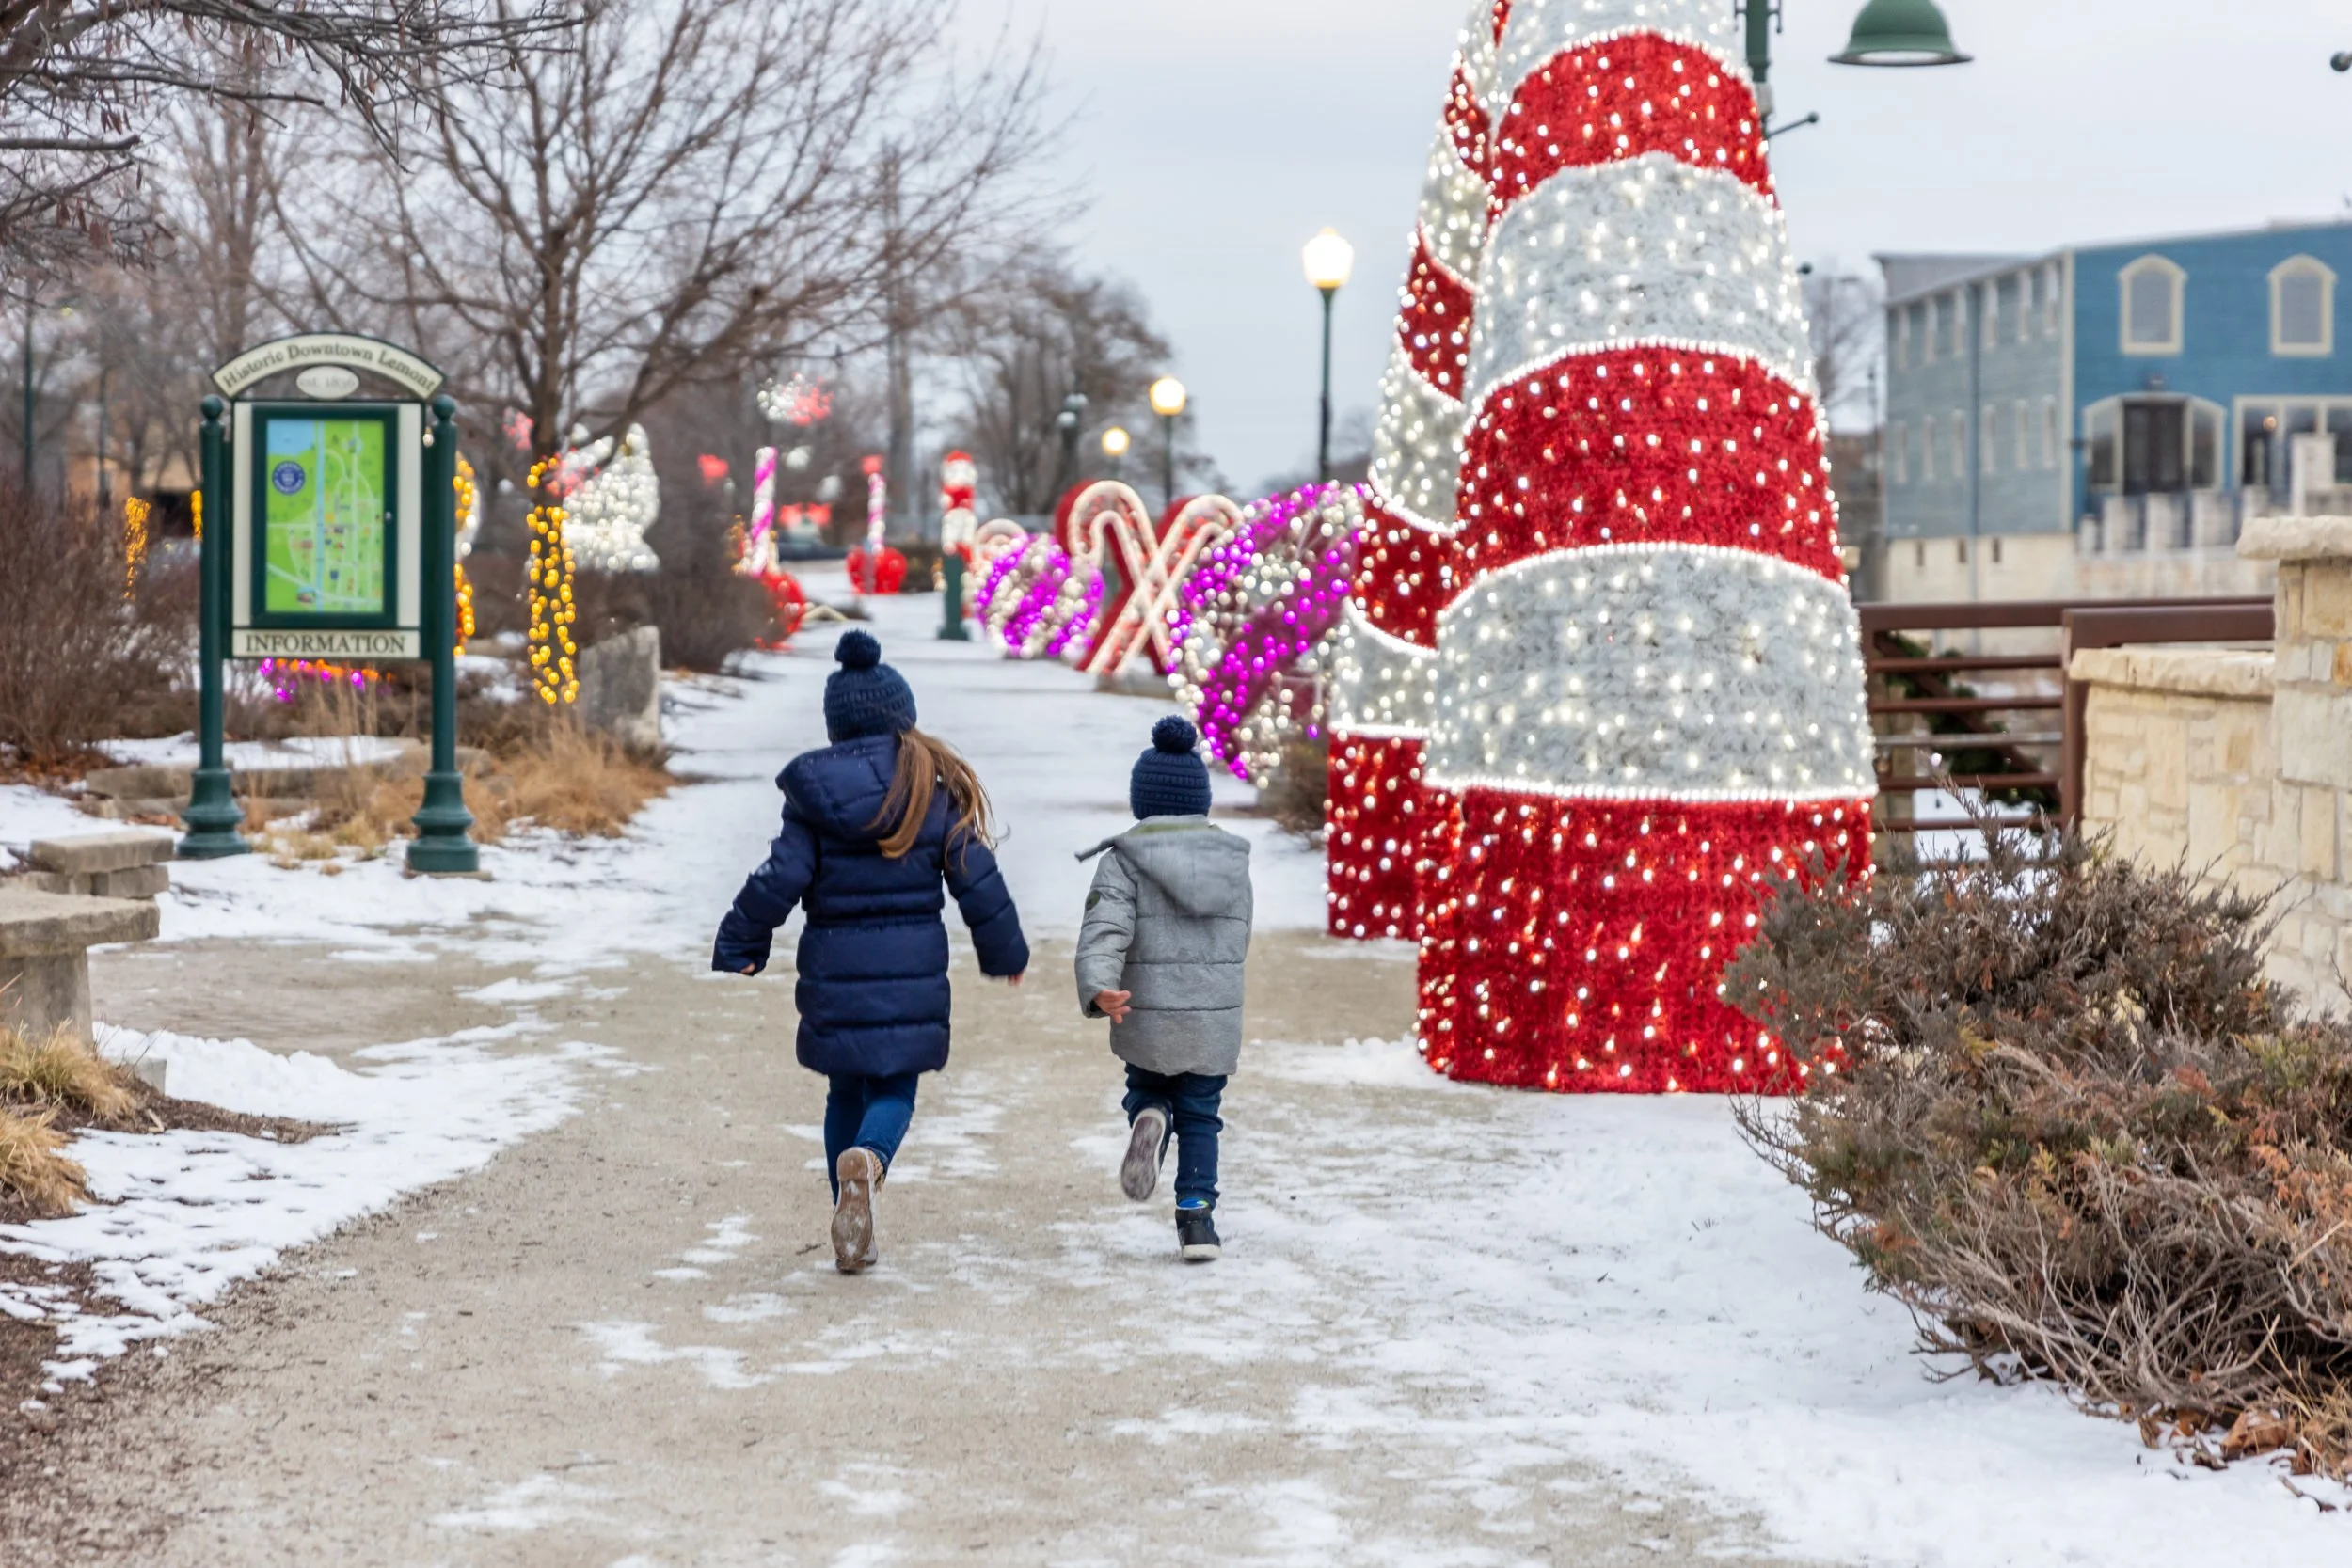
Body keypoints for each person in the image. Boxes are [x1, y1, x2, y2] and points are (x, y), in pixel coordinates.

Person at [714, 629, 1027, 1275]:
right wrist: (1004, 949)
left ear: (837, 726)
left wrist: (744, 939)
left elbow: (780, 875)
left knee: (843, 1093)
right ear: (901, 718)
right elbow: (977, 876)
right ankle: (872, 1162)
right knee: (895, 1089)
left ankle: (846, 1208)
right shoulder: (930, 788)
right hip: (910, 979)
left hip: (835, 974)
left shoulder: (814, 798)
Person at [1075, 715, 1253, 1262]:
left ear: (1141, 802)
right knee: (1202, 1115)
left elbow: (1105, 929)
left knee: (1146, 1085)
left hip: (1146, 1012)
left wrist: (1100, 986)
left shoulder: (1123, 861)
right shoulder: (1231, 862)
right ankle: (1197, 1220)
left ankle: (1150, 1115)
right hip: (1211, 1017)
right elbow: (1240, 935)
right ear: (1200, 801)